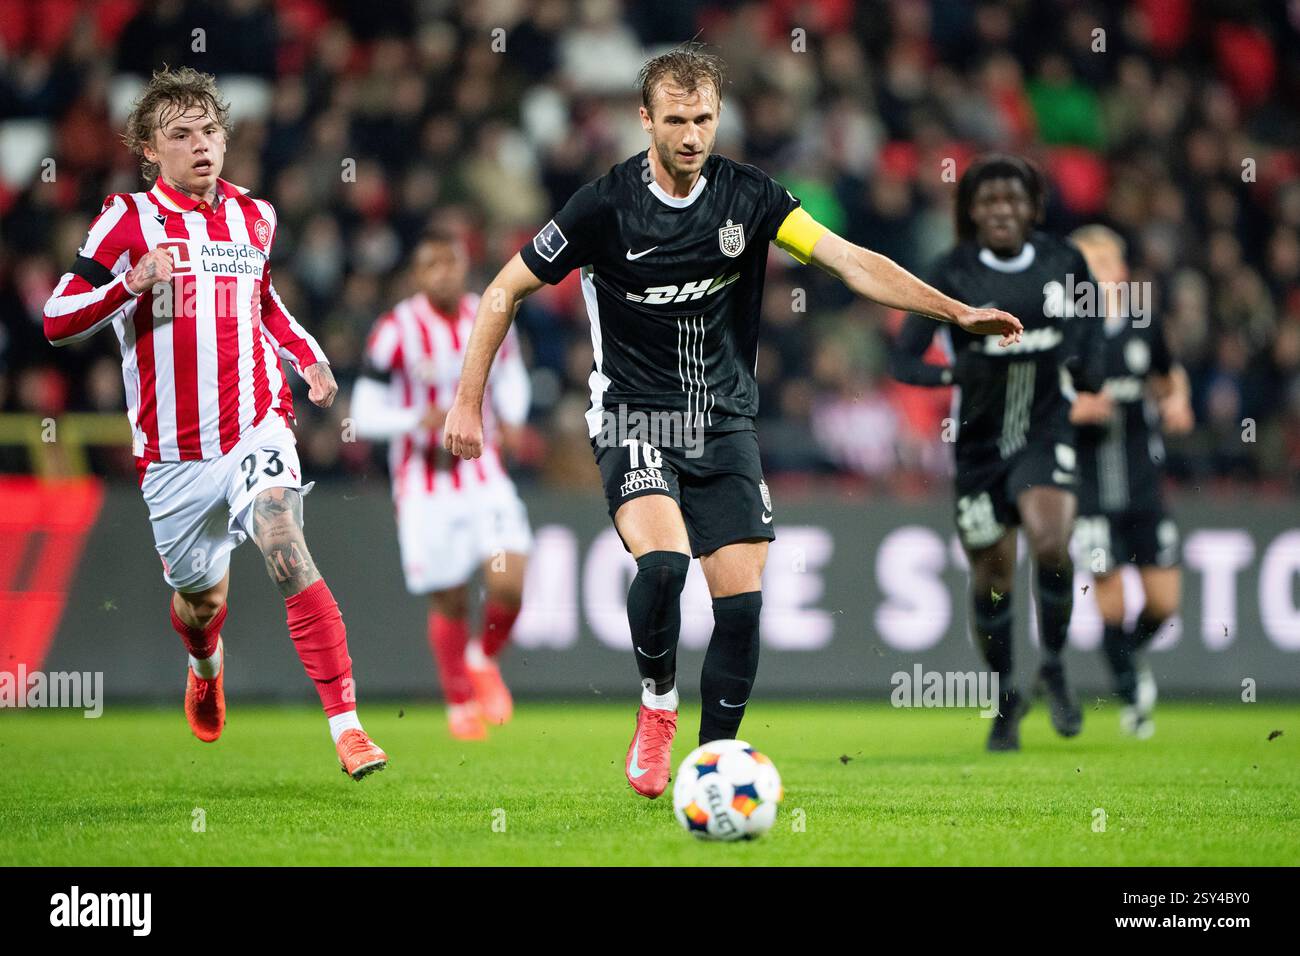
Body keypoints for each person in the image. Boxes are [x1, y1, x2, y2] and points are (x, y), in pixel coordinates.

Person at [441, 46, 1022, 797]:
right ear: (644, 119)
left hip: (723, 421)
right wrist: (467, 399)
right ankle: (657, 705)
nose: (691, 135)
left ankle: (709, 768)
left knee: (741, 609)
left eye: (704, 119)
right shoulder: (602, 207)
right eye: (676, 120)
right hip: (634, 415)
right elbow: (502, 289)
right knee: (663, 563)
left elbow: (846, 260)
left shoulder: (750, 197)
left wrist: (954, 311)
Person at [41, 67, 387, 780]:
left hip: (255, 424)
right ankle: (205, 664)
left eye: (210, 130)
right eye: (180, 135)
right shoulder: (127, 219)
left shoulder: (253, 216)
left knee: (283, 541)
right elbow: (55, 319)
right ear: (147, 151)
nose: (201, 145)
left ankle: (348, 729)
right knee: (202, 604)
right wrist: (128, 284)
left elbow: (262, 304)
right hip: (172, 457)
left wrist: (310, 359)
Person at [890, 154, 1106, 752]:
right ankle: (1005, 695)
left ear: (1033, 207)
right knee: (993, 577)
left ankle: (1055, 665)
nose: (1002, 210)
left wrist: (1090, 370)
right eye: (988, 201)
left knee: (1052, 544)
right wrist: (955, 374)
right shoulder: (950, 273)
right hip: (979, 449)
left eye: (1013, 199)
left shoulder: (1066, 262)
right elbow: (902, 359)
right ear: (971, 212)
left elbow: (1092, 334)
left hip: (1045, 432)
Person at [351, 229, 532, 740]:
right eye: (432, 265)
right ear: (417, 275)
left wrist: (514, 415)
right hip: (424, 484)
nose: (444, 273)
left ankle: (482, 658)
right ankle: (458, 705)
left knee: (509, 579)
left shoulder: (489, 311)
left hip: (483, 474)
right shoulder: (395, 330)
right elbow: (363, 413)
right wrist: (415, 419)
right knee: (450, 597)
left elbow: (512, 372)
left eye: (451, 263)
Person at [1068, 225, 1193, 739]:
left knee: (1164, 604)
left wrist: (1178, 400)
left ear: (1119, 272)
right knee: (1112, 600)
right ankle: (1131, 695)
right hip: (1089, 490)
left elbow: (1169, 377)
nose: (1090, 274)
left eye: (1099, 263)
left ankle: (1128, 661)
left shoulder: (1144, 326)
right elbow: (1039, 405)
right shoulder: (1066, 331)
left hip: (1143, 486)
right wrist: (1076, 407)